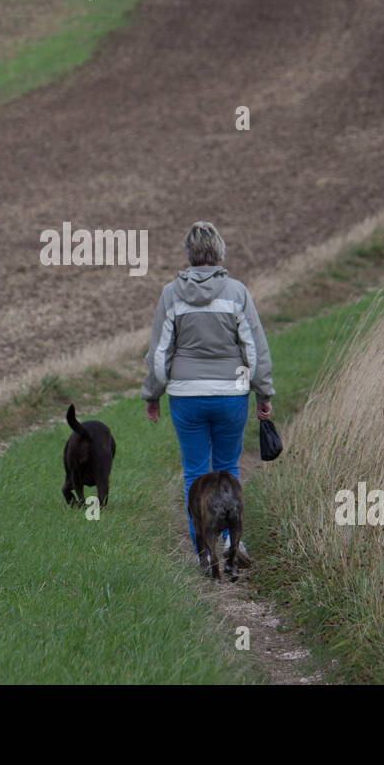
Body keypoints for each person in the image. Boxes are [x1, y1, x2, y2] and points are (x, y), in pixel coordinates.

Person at [141, 221, 274, 568]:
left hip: (187, 398)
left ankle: (203, 552)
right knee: (228, 468)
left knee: (196, 474)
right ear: (219, 251)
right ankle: (234, 544)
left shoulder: (171, 294)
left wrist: (153, 394)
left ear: (189, 253)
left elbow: (159, 353)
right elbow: (255, 350)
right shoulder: (237, 292)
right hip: (231, 395)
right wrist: (263, 392)